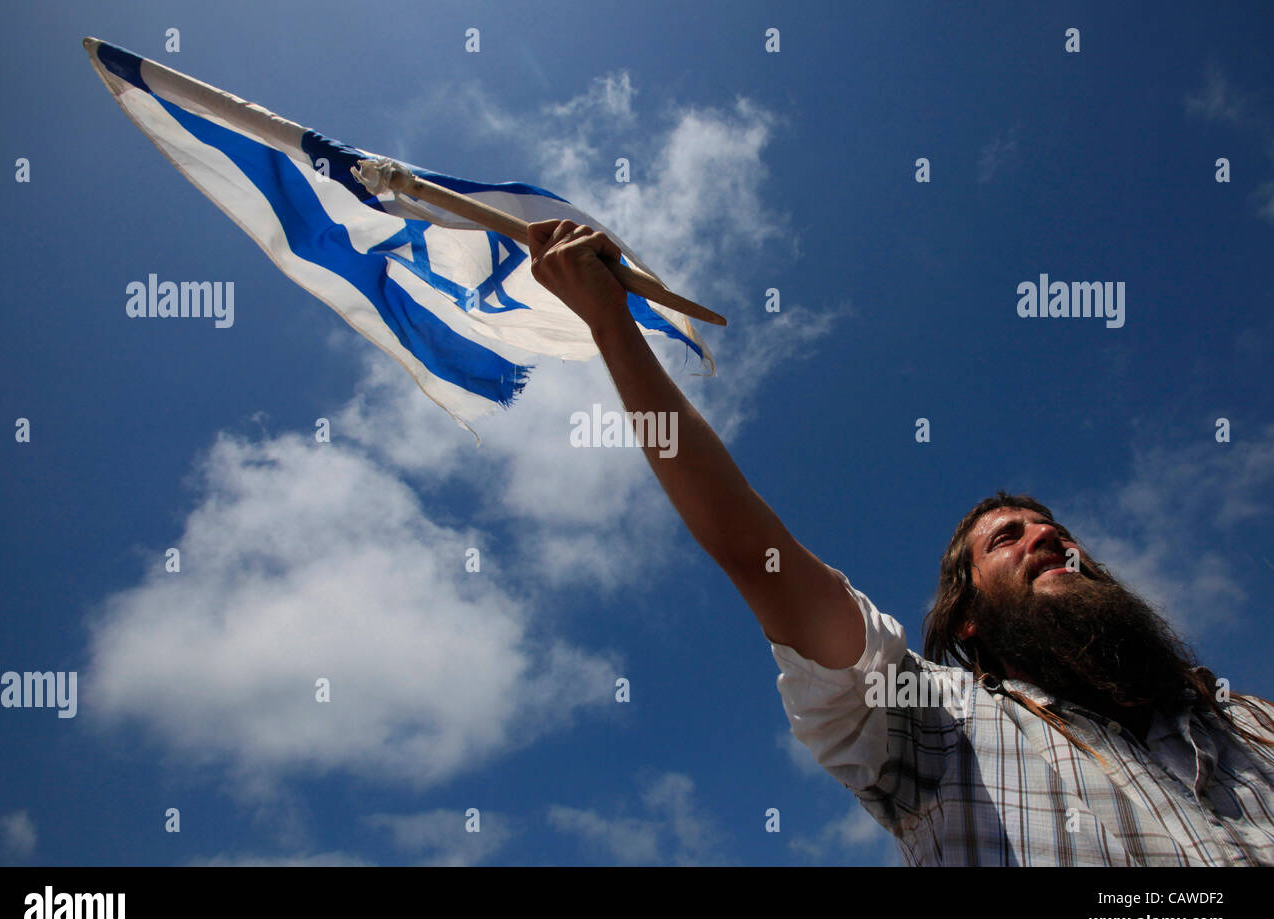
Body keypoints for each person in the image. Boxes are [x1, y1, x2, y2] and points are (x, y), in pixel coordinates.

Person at [526, 219, 1274, 866]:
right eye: (1007, 539)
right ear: (970, 619)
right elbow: (762, 560)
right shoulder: (928, 719)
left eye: (1055, 532)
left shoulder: (1248, 725)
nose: (1045, 537)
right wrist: (610, 325)